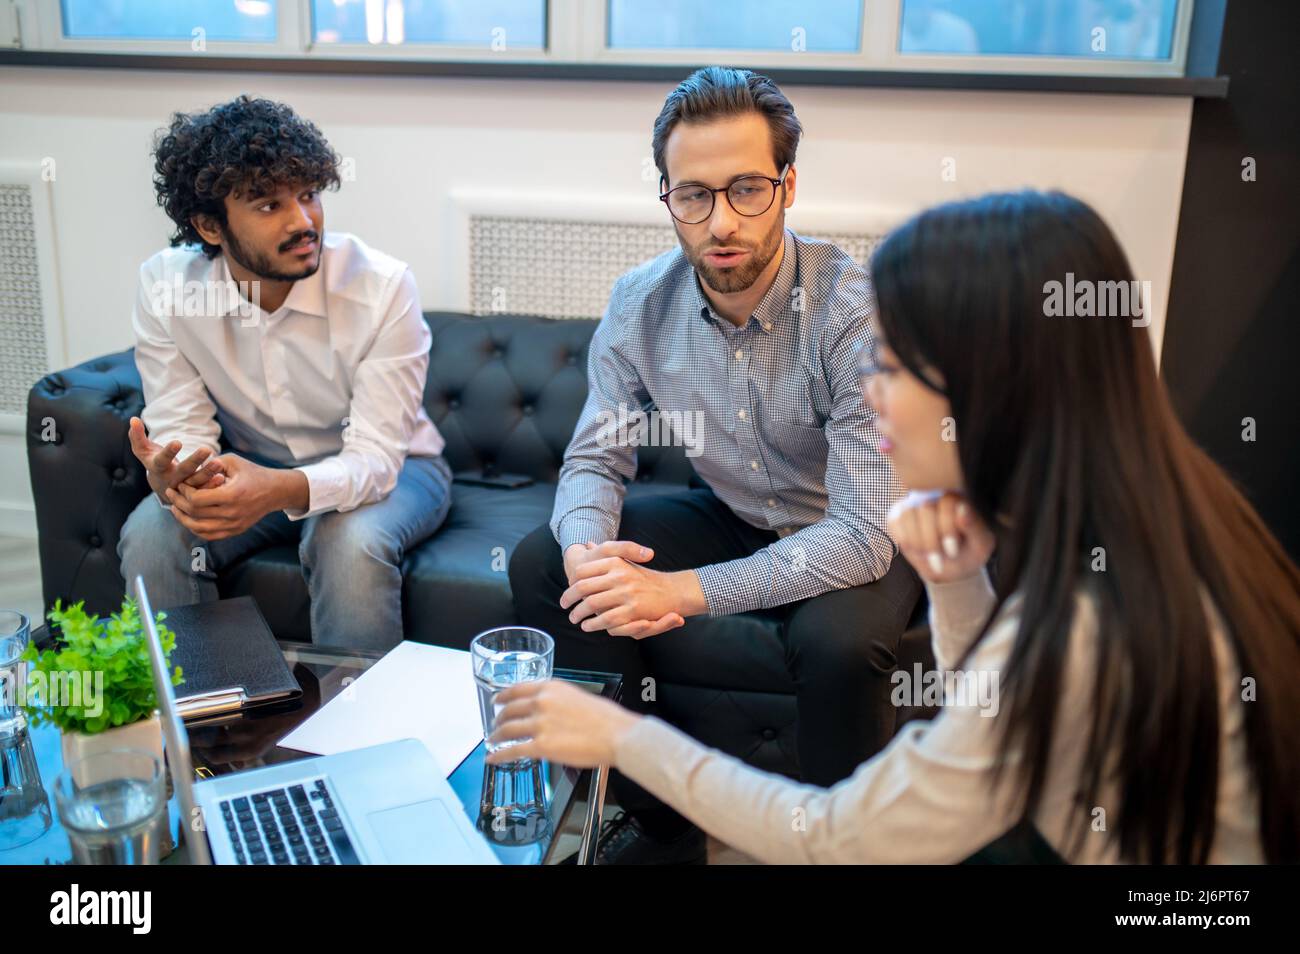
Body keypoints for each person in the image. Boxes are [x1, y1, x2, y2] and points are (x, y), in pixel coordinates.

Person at [490, 190, 1300, 864]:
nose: (873, 391)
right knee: (545, 556)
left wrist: (624, 738)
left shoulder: (1089, 627)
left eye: (900, 365)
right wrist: (952, 582)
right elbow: (994, 713)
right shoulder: (1156, 528)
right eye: (693, 193)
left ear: (996, 387)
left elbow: (844, 836)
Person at [508, 66, 920, 864]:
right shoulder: (639, 302)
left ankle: (845, 849)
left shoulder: (852, 310)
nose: (720, 220)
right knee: (546, 564)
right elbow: (596, 456)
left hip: (857, 529)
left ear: (788, 185)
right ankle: (661, 826)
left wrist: (678, 591)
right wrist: (589, 556)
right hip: (731, 509)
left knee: (841, 644)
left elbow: (865, 535)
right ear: (666, 196)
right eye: (693, 194)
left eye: (747, 189)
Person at [118, 95, 451, 651]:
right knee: (154, 532)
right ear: (209, 225)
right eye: (269, 206)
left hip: (398, 469)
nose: (304, 222)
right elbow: (186, 432)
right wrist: (179, 478)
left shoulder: (382, 286)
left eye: (309, 195)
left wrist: (280, 488)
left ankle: (358, 730)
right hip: (253, 467)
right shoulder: (166, 287)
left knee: (346, 538)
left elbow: (374, 458)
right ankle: (202, 725)